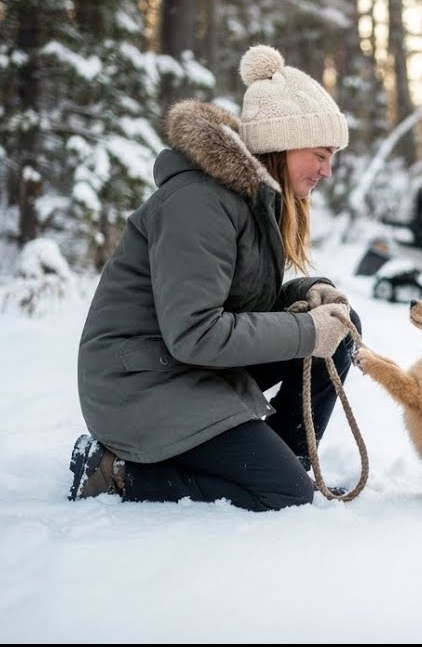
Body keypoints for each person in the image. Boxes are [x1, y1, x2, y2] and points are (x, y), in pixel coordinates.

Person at [67, 44, 361, 511]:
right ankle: (114, 472)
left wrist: (308, 295)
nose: (328, 170)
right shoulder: (198, 203)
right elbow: (196, 332)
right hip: (141, 386)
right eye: (320, 154)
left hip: (184, 368)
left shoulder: (252, 202)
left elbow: (239, 306)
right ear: (282, 145)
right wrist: (305, 331)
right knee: (282, 494)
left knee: (343, 331)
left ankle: (283, 458)